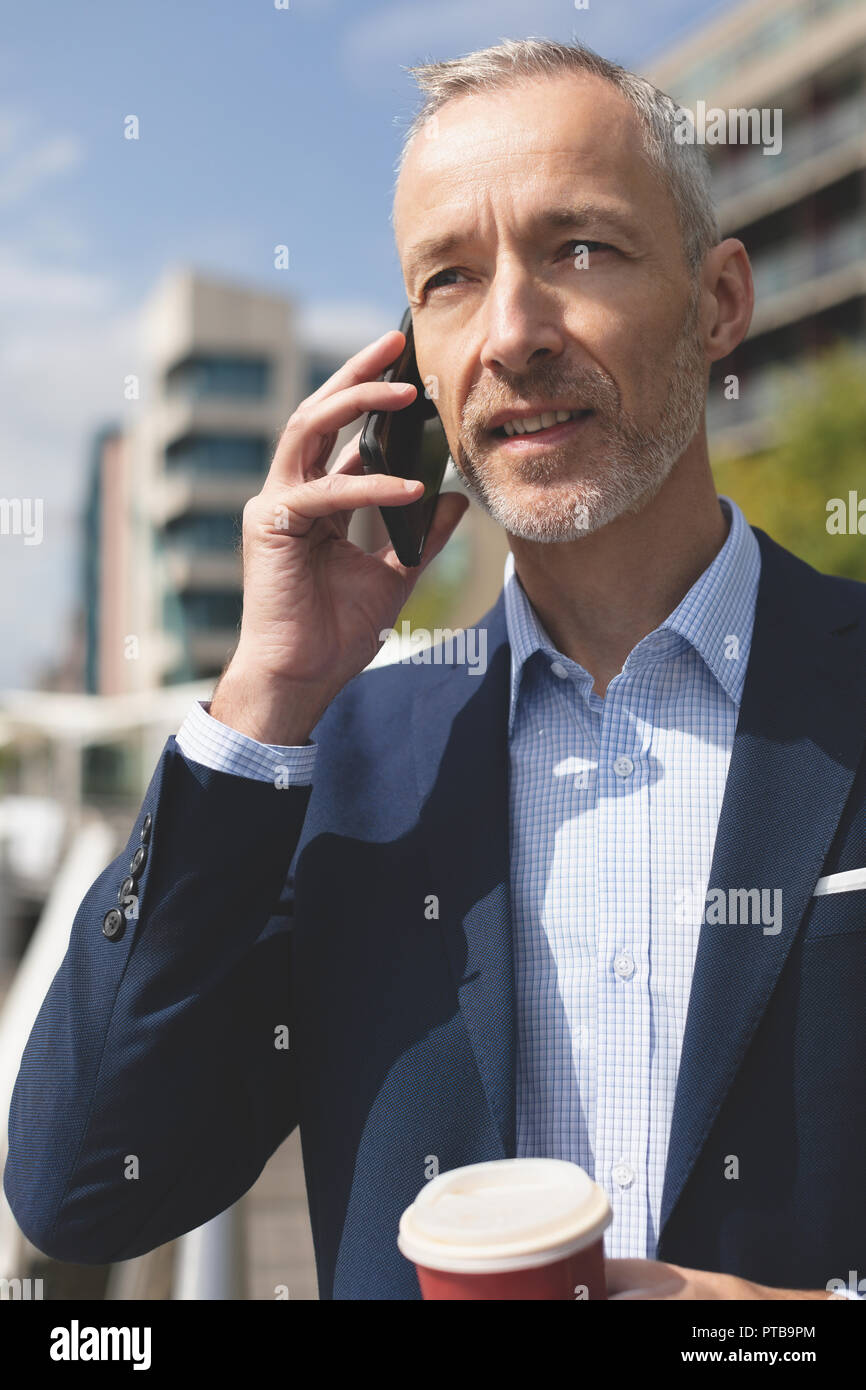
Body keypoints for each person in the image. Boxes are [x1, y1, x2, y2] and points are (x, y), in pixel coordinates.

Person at [5, 38, 865, 1301]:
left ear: (718, 302)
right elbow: (88, 1179)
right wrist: (267, 693)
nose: (512, 332)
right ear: (412, 368)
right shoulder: (345, 759)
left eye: (580, 248)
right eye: (450, 280)